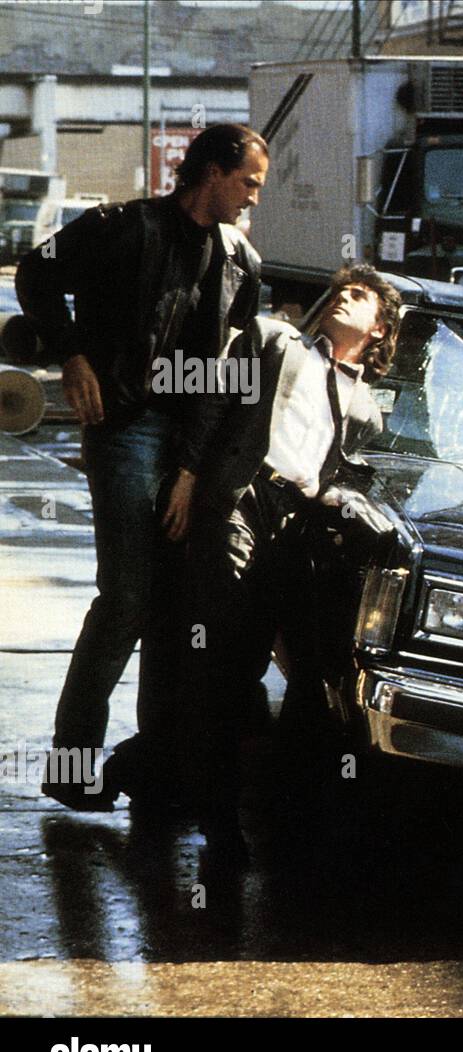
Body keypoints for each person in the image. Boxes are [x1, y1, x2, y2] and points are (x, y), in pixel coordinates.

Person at [17, 123, 267, 811]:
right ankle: (70, 765)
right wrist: (71, 353)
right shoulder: (121, 227)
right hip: (124, 427)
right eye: (248, 182)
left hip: (189, 443)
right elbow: (37, 273)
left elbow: (228, 376)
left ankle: (155, 767)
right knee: (126, 595)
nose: (252, 198)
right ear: (212, 172)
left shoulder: (241, 261)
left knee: (170, 606)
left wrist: (191, 470)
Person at [184, 264, 402, 859]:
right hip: (245, 498)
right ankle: (217, 818)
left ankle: (275, 808)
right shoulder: (275, 341)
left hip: (297, 524)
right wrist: (187, 475)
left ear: (380, 328)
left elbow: (357, 479)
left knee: (290, 671)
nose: (343, 297)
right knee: (228, 650)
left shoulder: (366, 411)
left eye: (359, 296)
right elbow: (212, 404)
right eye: (340, 289)